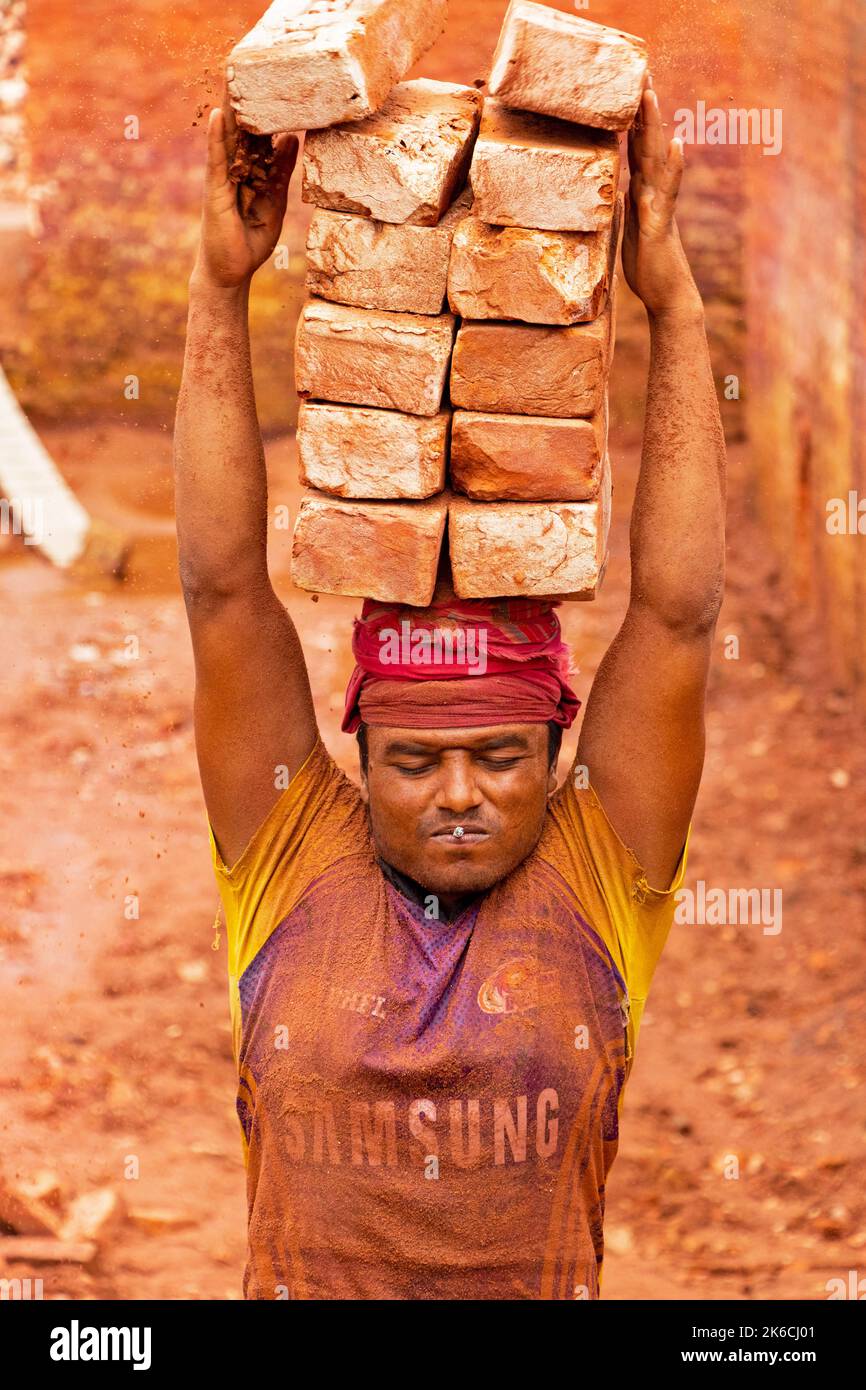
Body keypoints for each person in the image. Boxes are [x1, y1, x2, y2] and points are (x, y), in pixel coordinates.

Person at [173, 78, 726, 1301]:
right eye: (414, 765)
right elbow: (222, 594)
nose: (460, 795)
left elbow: (677, 615)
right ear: (352, 757)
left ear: (558, 745)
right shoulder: (288, 855)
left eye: (501, 756)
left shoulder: (597, 871)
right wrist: (220, 288)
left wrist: (671, 306)